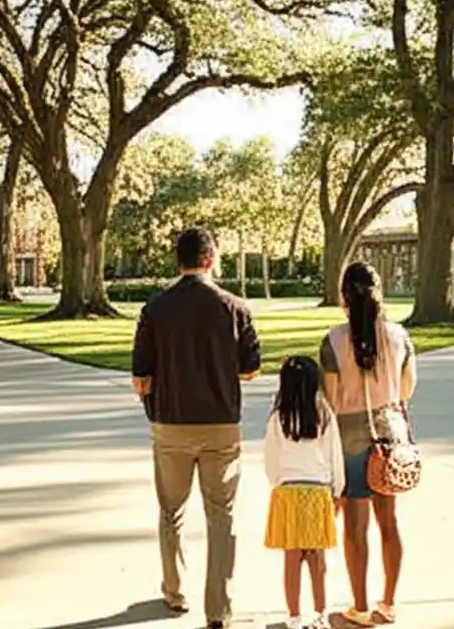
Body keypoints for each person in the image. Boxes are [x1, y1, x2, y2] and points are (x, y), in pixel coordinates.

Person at [132, 227, 261, 629]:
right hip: (221, 424)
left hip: (171, 422)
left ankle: (175, 591)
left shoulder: (155, 309)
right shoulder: (236, 308)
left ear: (180, 260)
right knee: (221, 516)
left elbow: (141, 378)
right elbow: (251, 369)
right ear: (209, 259)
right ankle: (218, 609)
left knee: (171, 511)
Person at [320, 262, 417, 626]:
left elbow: (330, 399)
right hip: (391, 436)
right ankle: (388, 603)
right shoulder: (399, 336)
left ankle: (359, 607)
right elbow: (407, 388)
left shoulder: (333, 341)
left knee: (355, 526)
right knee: (389, 522)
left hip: (349, 439)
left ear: (344, 297)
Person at [263, 356, 345, 629]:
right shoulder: (324, 414)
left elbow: (271, 460)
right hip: (318, 490)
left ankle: (294, 616)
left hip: (288, 491)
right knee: (316, 556)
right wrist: (337, 489)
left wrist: (278, 482)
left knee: (292, 557)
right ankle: (320, 614)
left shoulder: (279, 417)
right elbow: (334, 455)